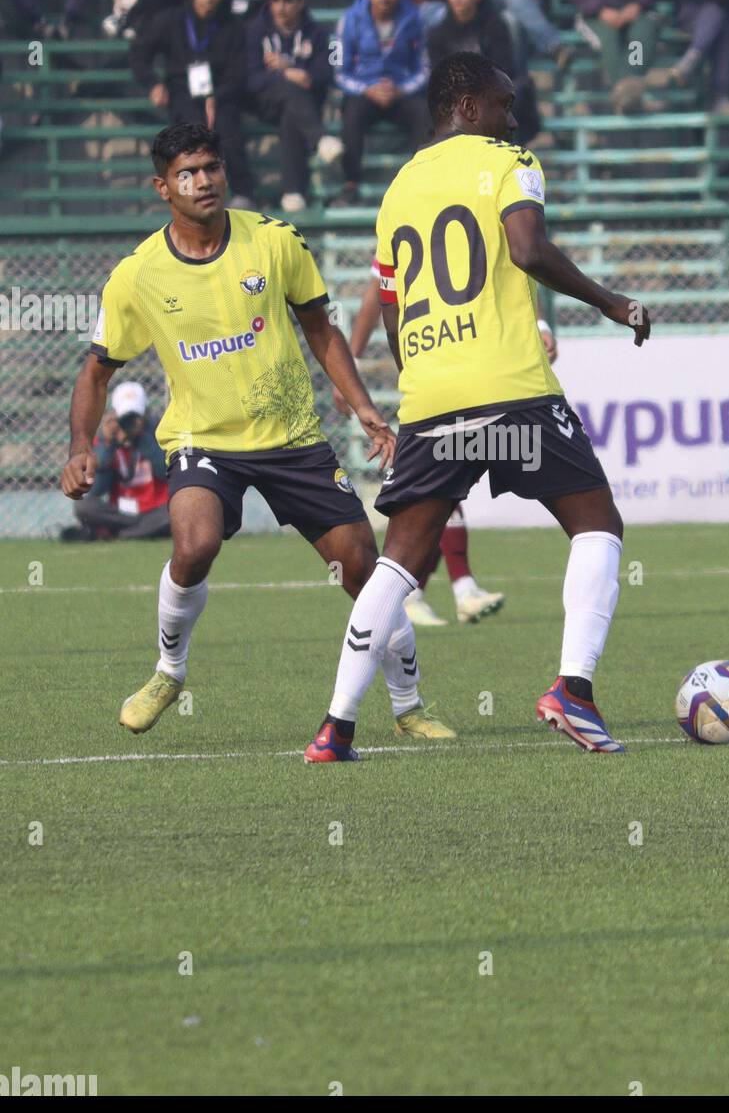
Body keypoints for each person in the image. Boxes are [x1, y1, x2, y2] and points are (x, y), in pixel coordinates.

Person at [303, 51, 652, 763]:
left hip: (432, 397)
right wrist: (612, 301)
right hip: (512, 388)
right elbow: (528, 248)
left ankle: (335, 728)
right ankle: (573, 692)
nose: (513, 116)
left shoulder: (399, 187)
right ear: (467, 106)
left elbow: (395, 308)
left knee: (398, 561)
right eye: (503, 101)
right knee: (596, 523)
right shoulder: (508, 160)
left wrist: (422, 382)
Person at [60, 122, 450, 749]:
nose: (203, 181)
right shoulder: (137, 276)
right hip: (202, 439)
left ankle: (408, 705)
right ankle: (168, 672)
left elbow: (321, 330)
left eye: (211, 167)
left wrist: (366, 411)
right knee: (194, 544)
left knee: (362, 570)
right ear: (163, 187)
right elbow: (96, 370)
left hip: (293, 438)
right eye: (187, 173)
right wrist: (81, 447)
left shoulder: (272, 241)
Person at [332, 260, 515, 626]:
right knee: (433, 490)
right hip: (430, 379)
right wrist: (347, 366)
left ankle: (439, 591)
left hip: (458, 373)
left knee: (442, 490)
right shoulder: (407, 220)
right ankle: (433, 593)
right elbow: (377, 294)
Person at [130, 0, 255, 205]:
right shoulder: (172, 20)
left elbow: (239, 74)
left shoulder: (232, 26)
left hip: (221, 93)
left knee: (226, 125)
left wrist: (216, 97)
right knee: (188, 134)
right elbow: (139, 53)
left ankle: (242, 194)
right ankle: (187, 195)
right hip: (181, 91)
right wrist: (153, 83)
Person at [334, 0, 429, 204]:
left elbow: (424, 68)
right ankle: (351, 183)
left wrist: (401, 90)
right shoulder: (349, 20)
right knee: (351, 112)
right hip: (365, 92)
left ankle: (422, 185)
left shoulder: (415, 19)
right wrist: (368, 90)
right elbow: (338, 71)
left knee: (424, 114)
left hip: (400, 92)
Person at [246, 0, 342, 213]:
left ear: (300, 3)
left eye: (288, 1)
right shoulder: (255, 32)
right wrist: (287, 73)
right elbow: (250, 79)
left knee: (291, 114)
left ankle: (293, 194)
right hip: (264, 102)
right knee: (290, 91)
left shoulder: (318, 33)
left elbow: (326, 73)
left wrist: (297, 71)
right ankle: (320, 140)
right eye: (275, 1)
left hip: (303, 105)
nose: (281, 7)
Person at [428, 0, 542, 140]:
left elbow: (504, 68)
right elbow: (438, 76)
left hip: (490, 93)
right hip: (455, 100)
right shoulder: (438, 33)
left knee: (513, 96)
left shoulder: (495, 26)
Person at [65, 382, 171, 542]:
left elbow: (165, 472)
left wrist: (141, 438)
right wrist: (108, 445)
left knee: (177, 512)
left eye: (134, 417)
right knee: (84, 507)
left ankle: (116, 533)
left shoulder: (159, 433)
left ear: (145, 414)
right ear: (114, 414)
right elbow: (97, 490)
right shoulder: (107, 439)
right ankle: (141, 531)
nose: (128, 423)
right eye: (124, 418)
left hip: (156, 508)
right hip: (121, 510)